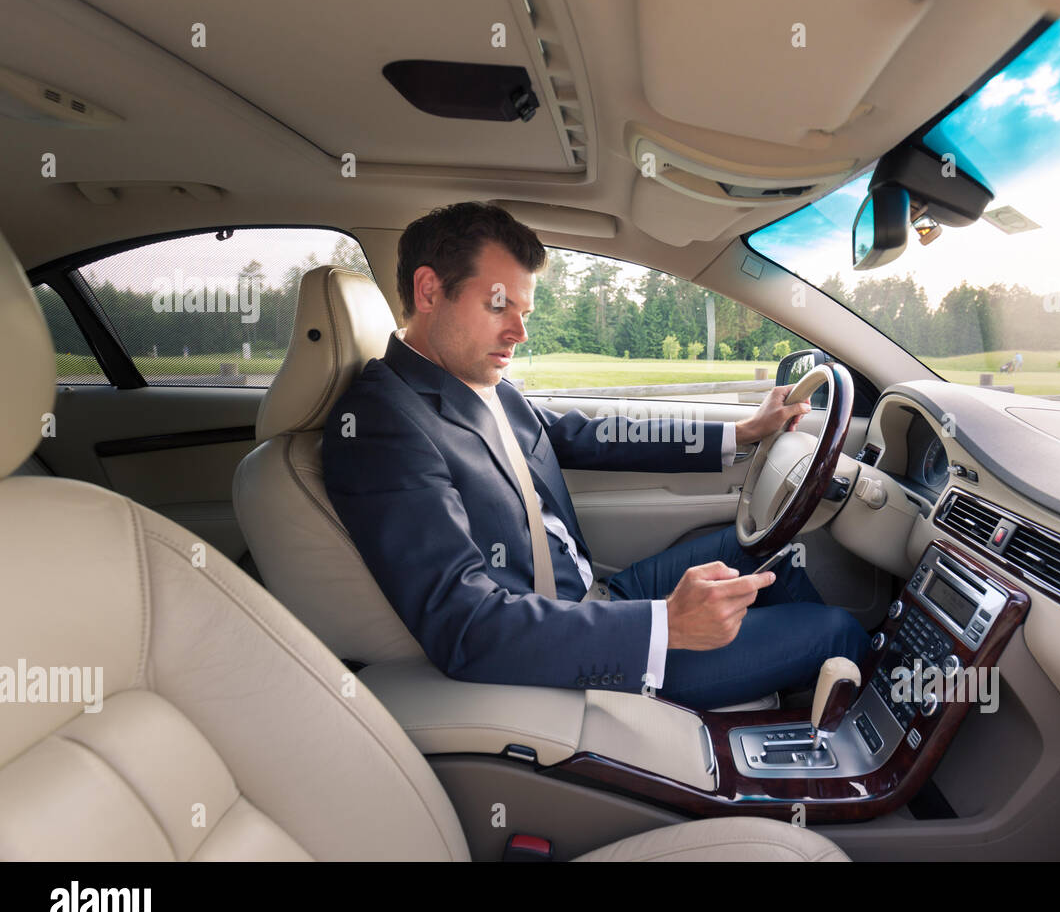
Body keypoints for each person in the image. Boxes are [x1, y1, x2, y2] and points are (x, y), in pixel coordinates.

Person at [323, 203, 868, 709]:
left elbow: (592, 434)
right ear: (428, 290)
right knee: (838, 629)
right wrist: (666, 627)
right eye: (499, 306)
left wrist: (743, 431)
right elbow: (466, 626)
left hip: (601, 596)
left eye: (525, 309)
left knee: (774, 546)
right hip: (578, 649)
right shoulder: (382, 425)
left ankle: (798, 696)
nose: (520, 331)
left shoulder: (476, 381)